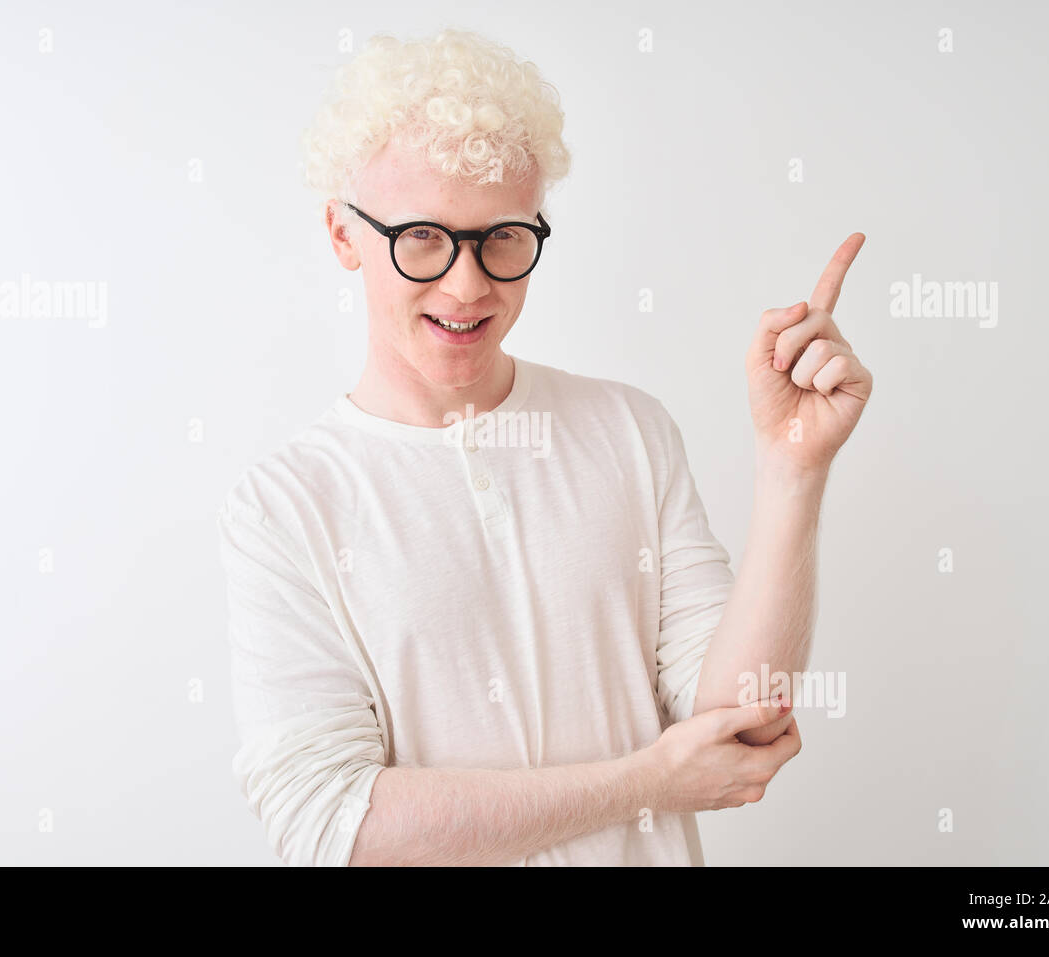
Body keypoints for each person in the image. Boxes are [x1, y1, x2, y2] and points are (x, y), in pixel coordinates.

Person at [216, 27, 873, 866]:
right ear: (345, 235)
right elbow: (336, 825)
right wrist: (649, 781)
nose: (468, 284)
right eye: (421, 235)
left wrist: (793, 470)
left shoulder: (628, 429)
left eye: (502, 237)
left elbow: (740, 723)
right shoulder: (283, 506)